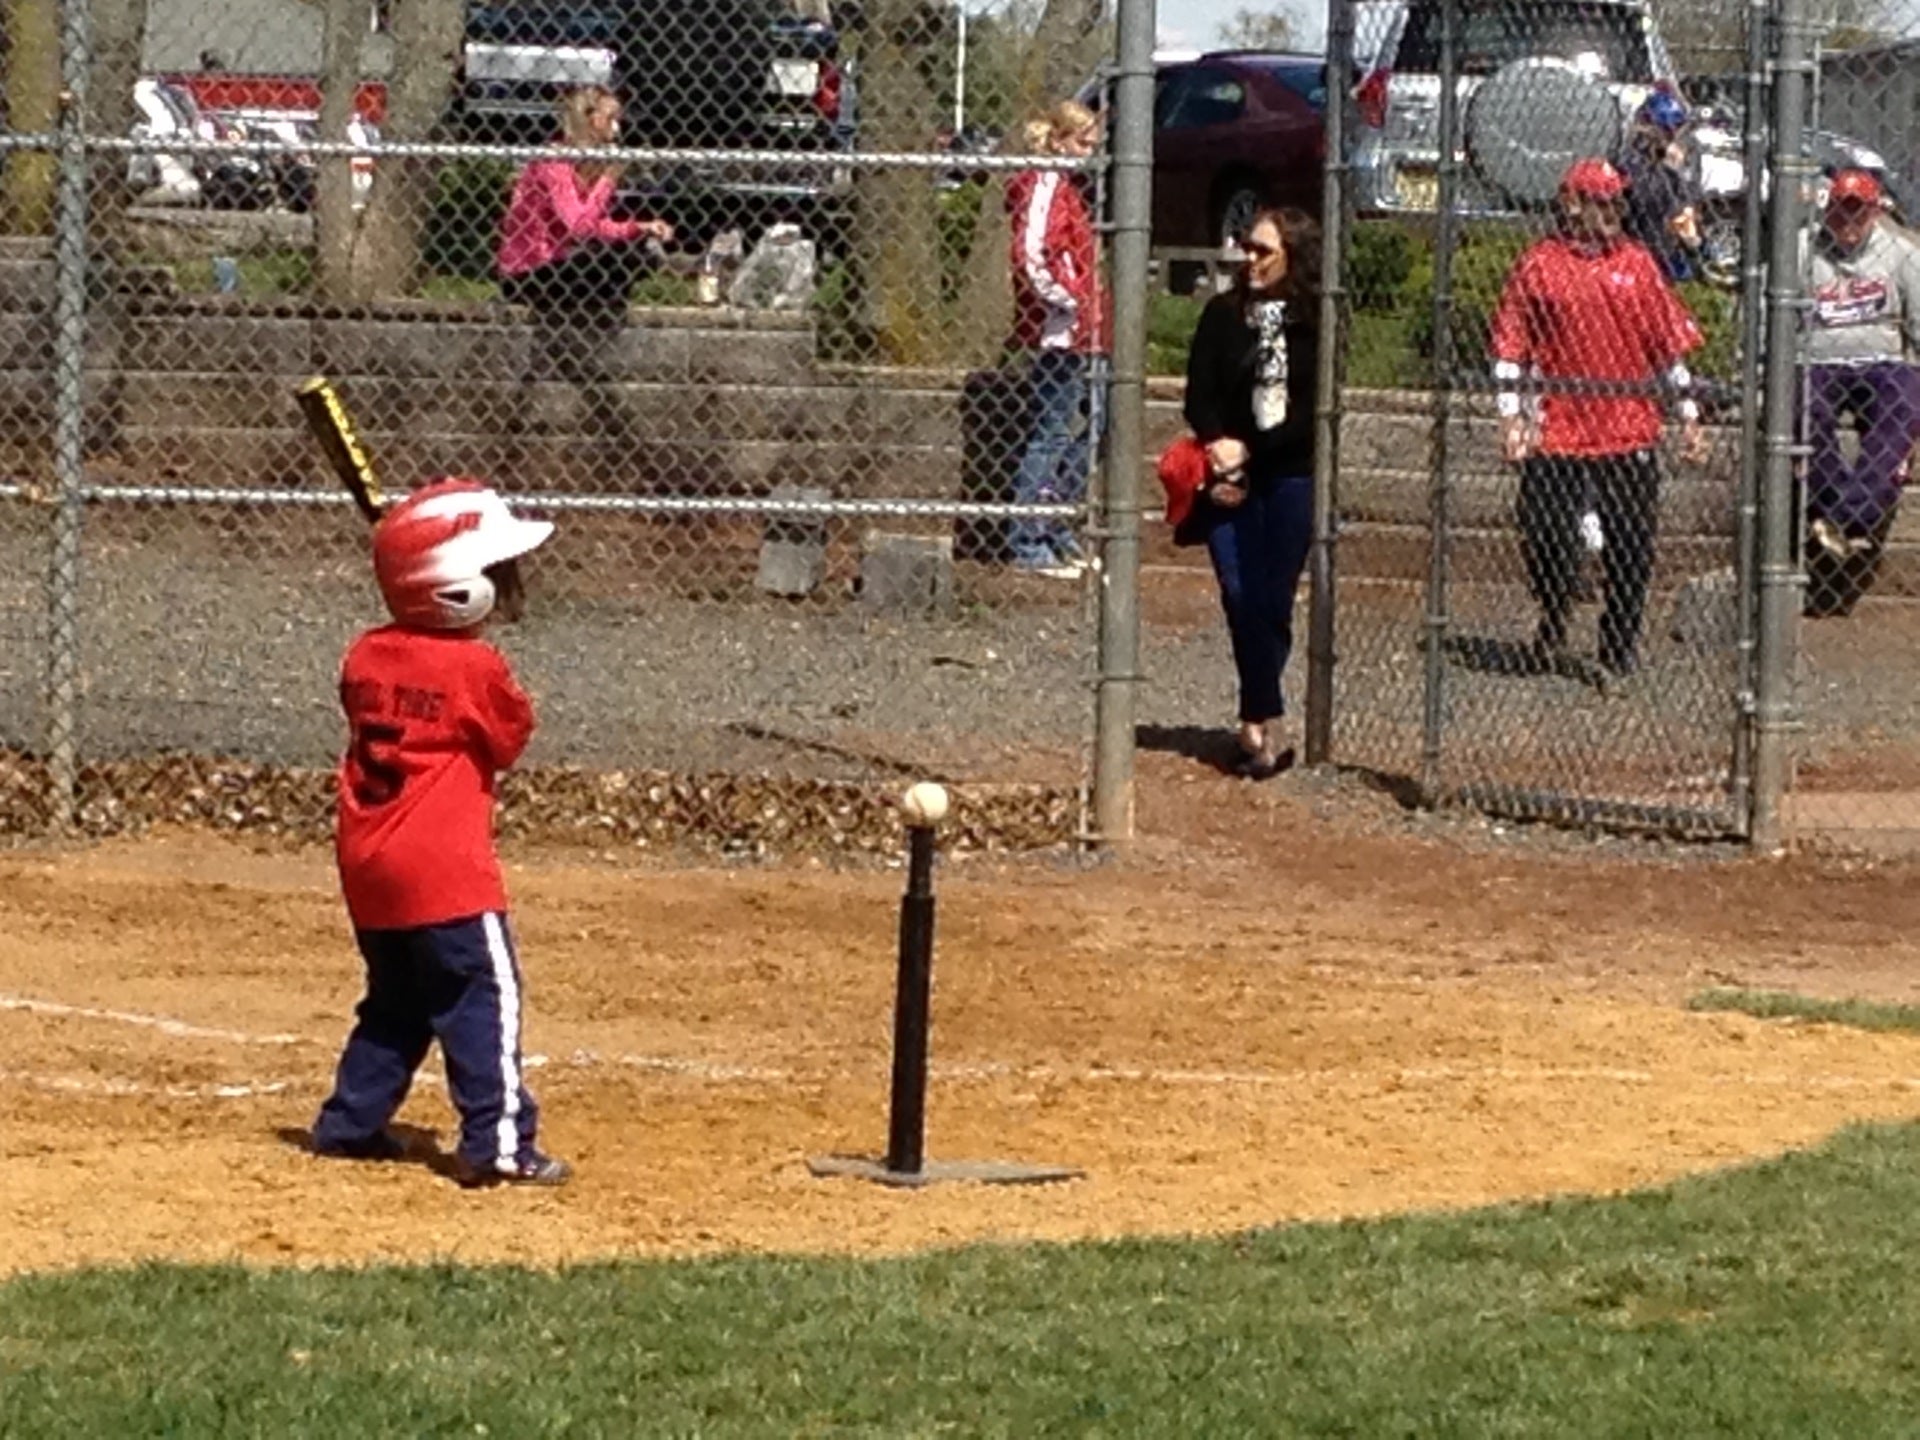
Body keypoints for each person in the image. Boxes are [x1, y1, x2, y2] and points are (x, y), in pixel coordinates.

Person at [310, 479, 571, 1189]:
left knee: (397, 999)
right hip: (443, 872)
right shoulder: (474, 666)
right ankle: (501, 1143)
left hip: (368, 863)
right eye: (493, 570)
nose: (507, 583)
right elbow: (509, 739)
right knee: (483, 996)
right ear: (451, 588)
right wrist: (494, 680)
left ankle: (349, 1124)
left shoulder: (364, 653)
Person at [1489, 157, 1708, 681]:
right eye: (1600, 201)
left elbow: (1667, 351)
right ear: (1573, 204)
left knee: (1632, 543)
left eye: (1616, 201)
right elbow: (1509, 348)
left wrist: (1689, 416)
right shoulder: (1540, 264)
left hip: (1627, 422)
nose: (1612, 211)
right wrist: (1511, 416)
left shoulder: (1637, 265)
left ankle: (1618, 646)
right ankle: (1556, 604)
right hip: (1559, 424)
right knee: (1543, 529)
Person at [1181, 207, 1321, 778]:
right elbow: (1200, 394)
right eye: (1247, 246)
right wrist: (1219, 444)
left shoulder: (1313, 321)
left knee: (1271, 600)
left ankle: (1256, 717)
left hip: (1287, 473)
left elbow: (1313, 411)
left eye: (1263, 250)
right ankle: (1269, 716)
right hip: (1227, 475)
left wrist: (1255, 451)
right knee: (1239, 592)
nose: (1250, 259)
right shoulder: (1223, 314)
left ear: (1293, 255)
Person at [1801, 168, 1920, 597]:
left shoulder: (1901, 254)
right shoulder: (1801, 251)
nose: (1847, 221)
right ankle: (1845, 510)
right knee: (1804, 406)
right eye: (1840, 209)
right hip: (1819, 361)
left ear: (1874, 211)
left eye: (1858, 210)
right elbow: (1770, 326)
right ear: (1827, 208)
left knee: (1903, 404)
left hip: (1882, 361)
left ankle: (1842, 518)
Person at [1004, 99, 1107, 578]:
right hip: (1059, 333)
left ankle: (1056, 518)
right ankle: (1029, 540)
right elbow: (1031, 253)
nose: (1088, 153)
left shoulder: (1067, 187)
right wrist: (1064, 302)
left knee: (1100, 424)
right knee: (1051, 430)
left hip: (1086, 330)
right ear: (1060, 139)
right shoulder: (1046, 182)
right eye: (1082, 143)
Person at [497, 86, 673, 323]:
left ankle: (595, 304)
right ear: (589, 119)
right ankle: (592, 300)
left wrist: (639, 227)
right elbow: (579, 227)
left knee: (636, 250)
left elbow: (594, 225)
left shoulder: (587, 163)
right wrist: (608, 179)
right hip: (530, 271)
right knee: (614, 256)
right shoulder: (555, 159)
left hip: (562, 263)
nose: (617, 127)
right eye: (611, 118)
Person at [1618, 91, 1704, 283]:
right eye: (1665, 130)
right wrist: (1667, 168)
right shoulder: (1632, 156)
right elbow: (1643, 198)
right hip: (1640, 239)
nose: (1671, 135)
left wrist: (1678, 174)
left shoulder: (1687, 150)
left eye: (1675, 129)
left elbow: (1690, 194)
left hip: (1672, 242)